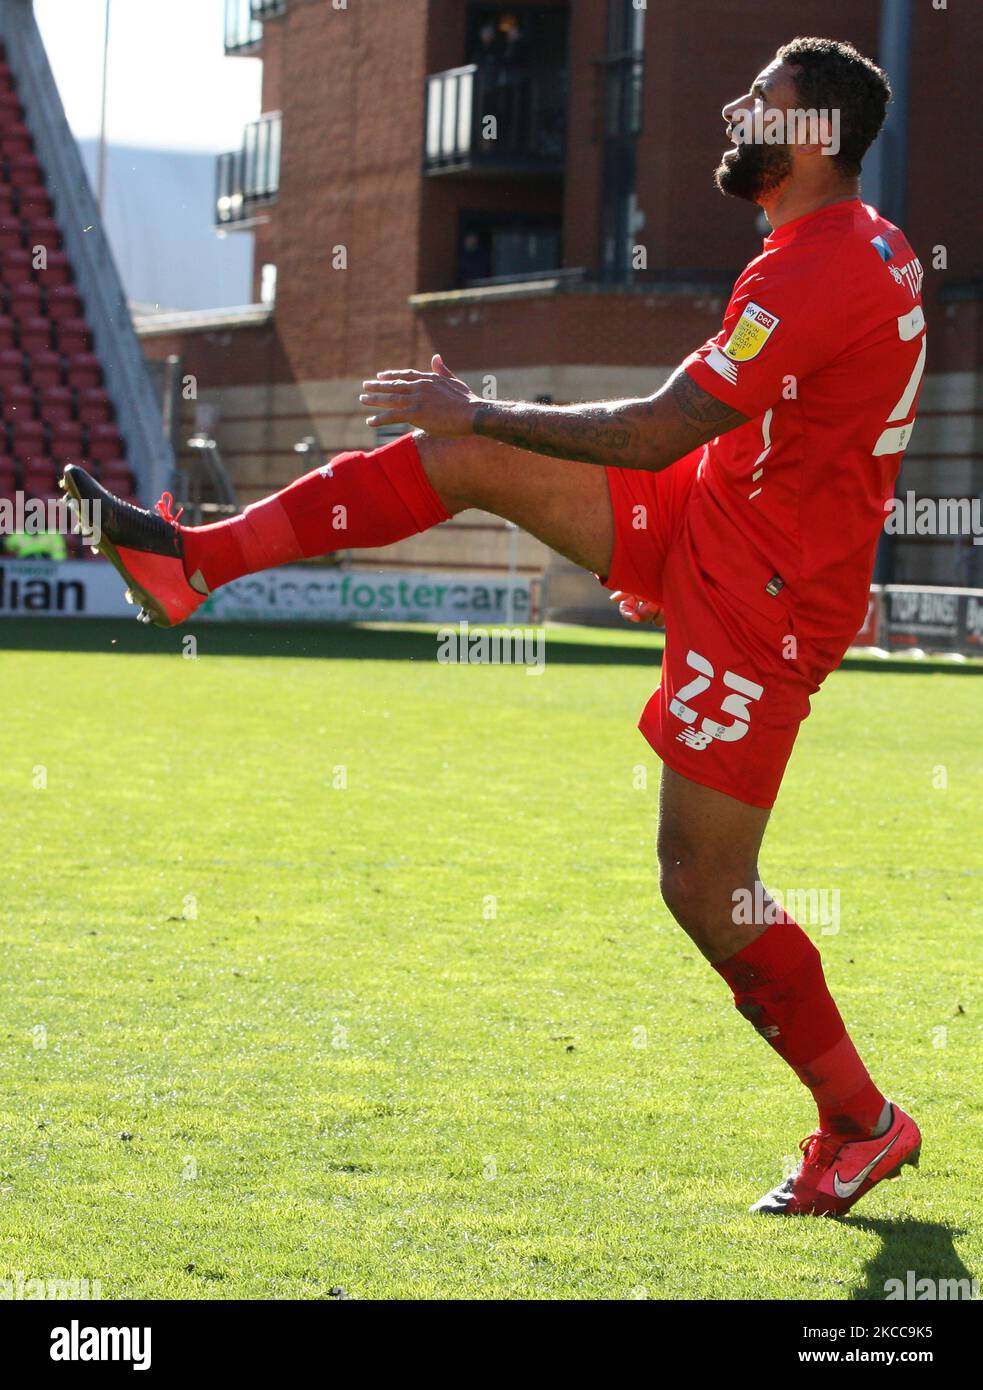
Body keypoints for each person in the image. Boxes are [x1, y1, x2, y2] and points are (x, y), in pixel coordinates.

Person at [63, 38, 924, 1216]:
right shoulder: (841, 247)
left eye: (759, 103)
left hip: (763, 596)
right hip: (721, 524)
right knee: (463, 455)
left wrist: (485, 400)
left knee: (701, 883)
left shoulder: (812, 269)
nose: (734, 115)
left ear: (813, 138)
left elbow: (658, 429)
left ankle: (860, 1122)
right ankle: (190, 566)